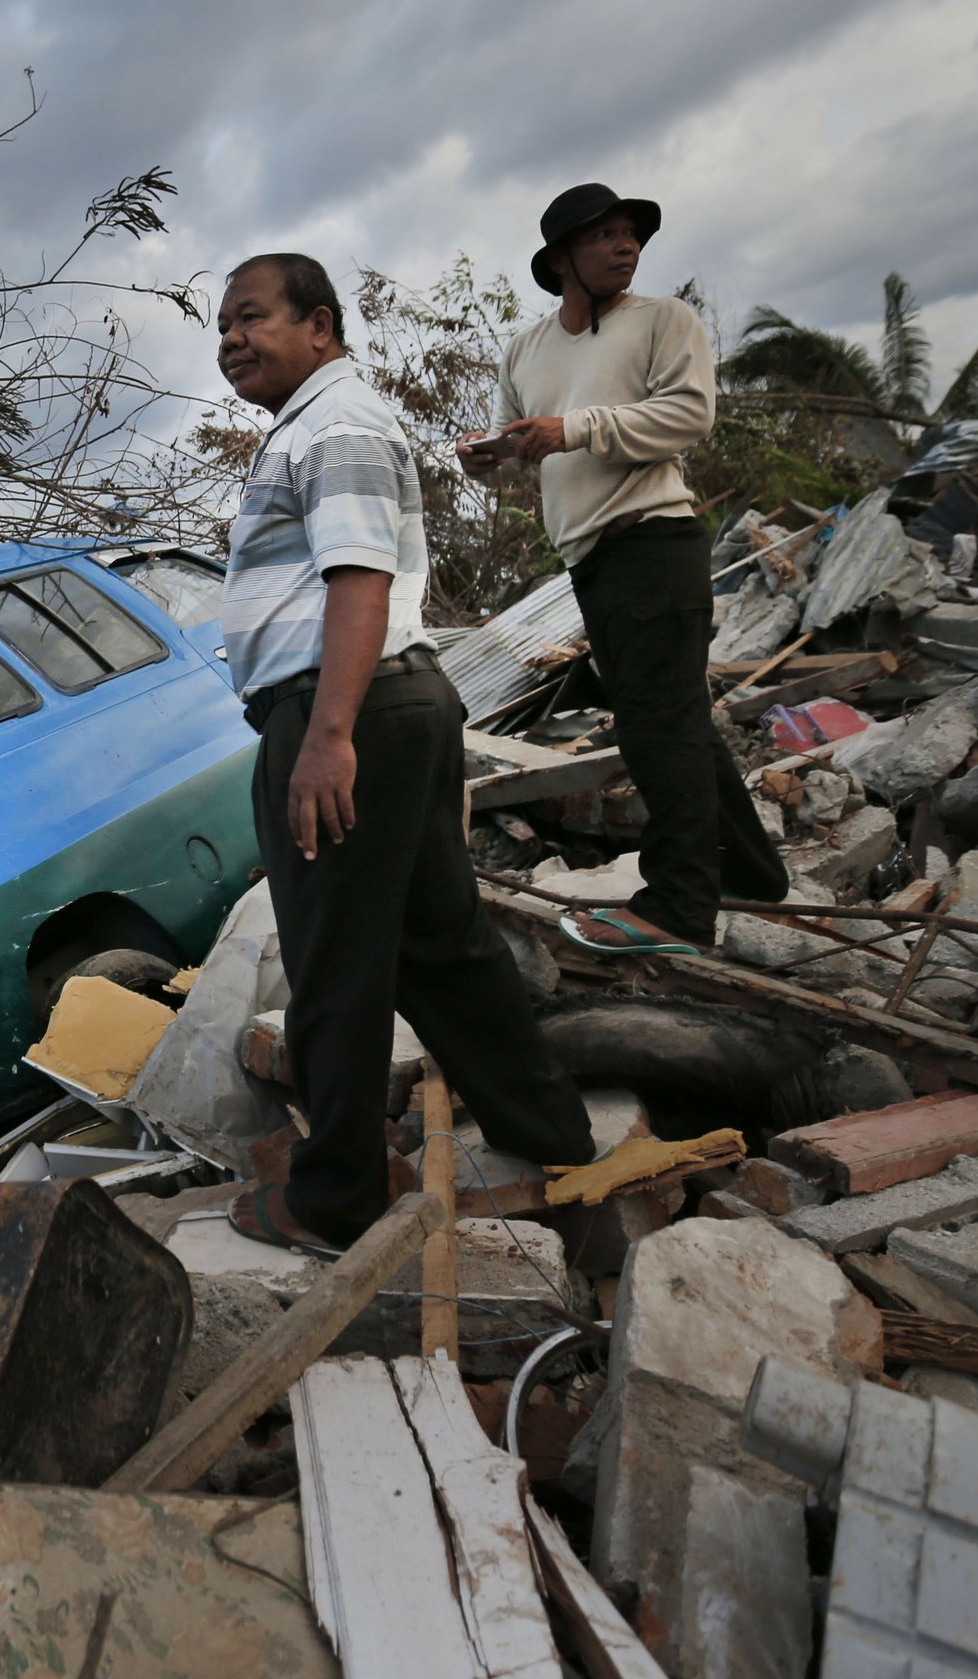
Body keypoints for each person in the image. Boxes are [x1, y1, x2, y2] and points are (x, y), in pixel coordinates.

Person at [214, 251, 596, 1256]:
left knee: (335, 961)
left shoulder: (334, 424)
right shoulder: (321, 424)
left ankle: (333, 1197)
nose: (232, 339)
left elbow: (357, 580)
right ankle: (551, 1131)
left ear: (323, 328)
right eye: (222, 326)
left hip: (348, 706)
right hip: (396, 701)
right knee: (442, 943)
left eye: (253, 317)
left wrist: (328, 734)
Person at [465, 183, 786, 959]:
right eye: (604, 235)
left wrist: (572, 428)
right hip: (588, 558)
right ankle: (750, 871)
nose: (625, 246)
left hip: (654, 539)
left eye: (630, 234)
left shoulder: (665, 321)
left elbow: (689, 416)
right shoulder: (528, 349)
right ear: (560, 259)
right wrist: (491, 454)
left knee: (656, 727)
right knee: (675, 719)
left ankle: (679, 907)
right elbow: (523, 437)